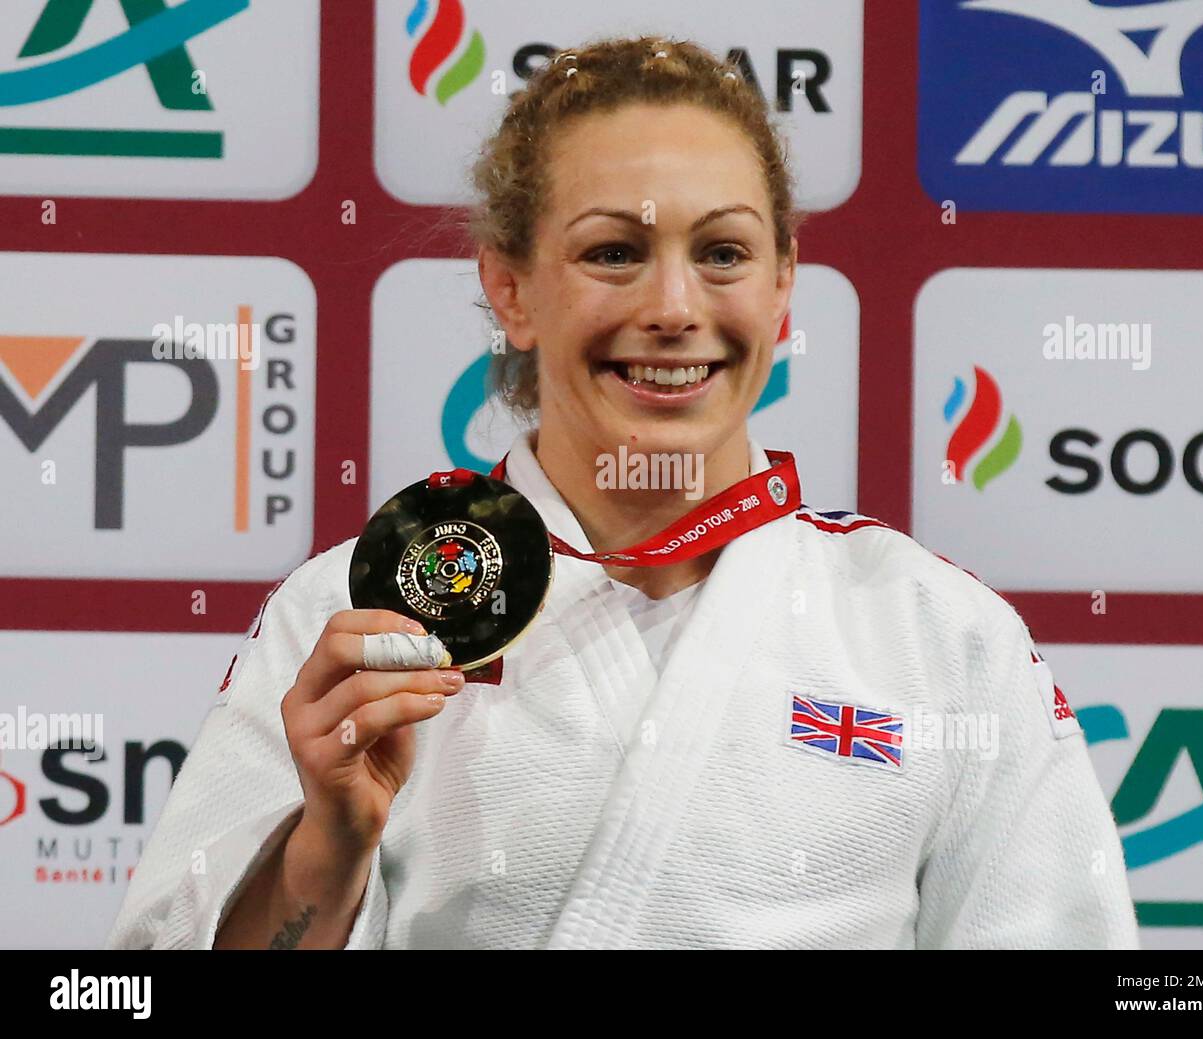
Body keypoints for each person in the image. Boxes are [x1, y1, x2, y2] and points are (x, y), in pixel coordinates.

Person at [106, 35, 1140, 950]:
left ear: (783, 290)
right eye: (613, 253)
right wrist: (322, 852)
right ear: (510, 289)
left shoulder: (937, 634)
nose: (674, 306)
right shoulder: (358, 621)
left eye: (724, 253)